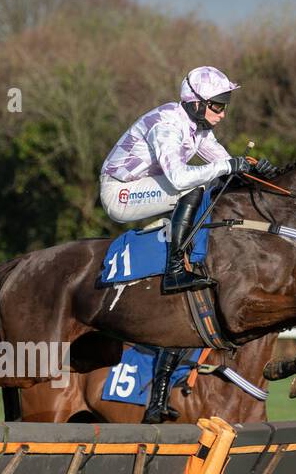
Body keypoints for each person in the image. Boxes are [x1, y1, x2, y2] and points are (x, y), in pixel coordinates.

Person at [99, 66, 276, 423]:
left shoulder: (198, 129)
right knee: (195, 187)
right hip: (119, 193)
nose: (223, 113)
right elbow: (180, 177)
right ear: (195, 104)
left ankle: (187, 257)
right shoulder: (168, 125)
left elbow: (224, 166)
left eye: (225, 105)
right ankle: (177, 268)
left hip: (146, 186)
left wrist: (256, 173)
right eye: (218, 105)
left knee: (216, 186)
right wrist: (229, 166)